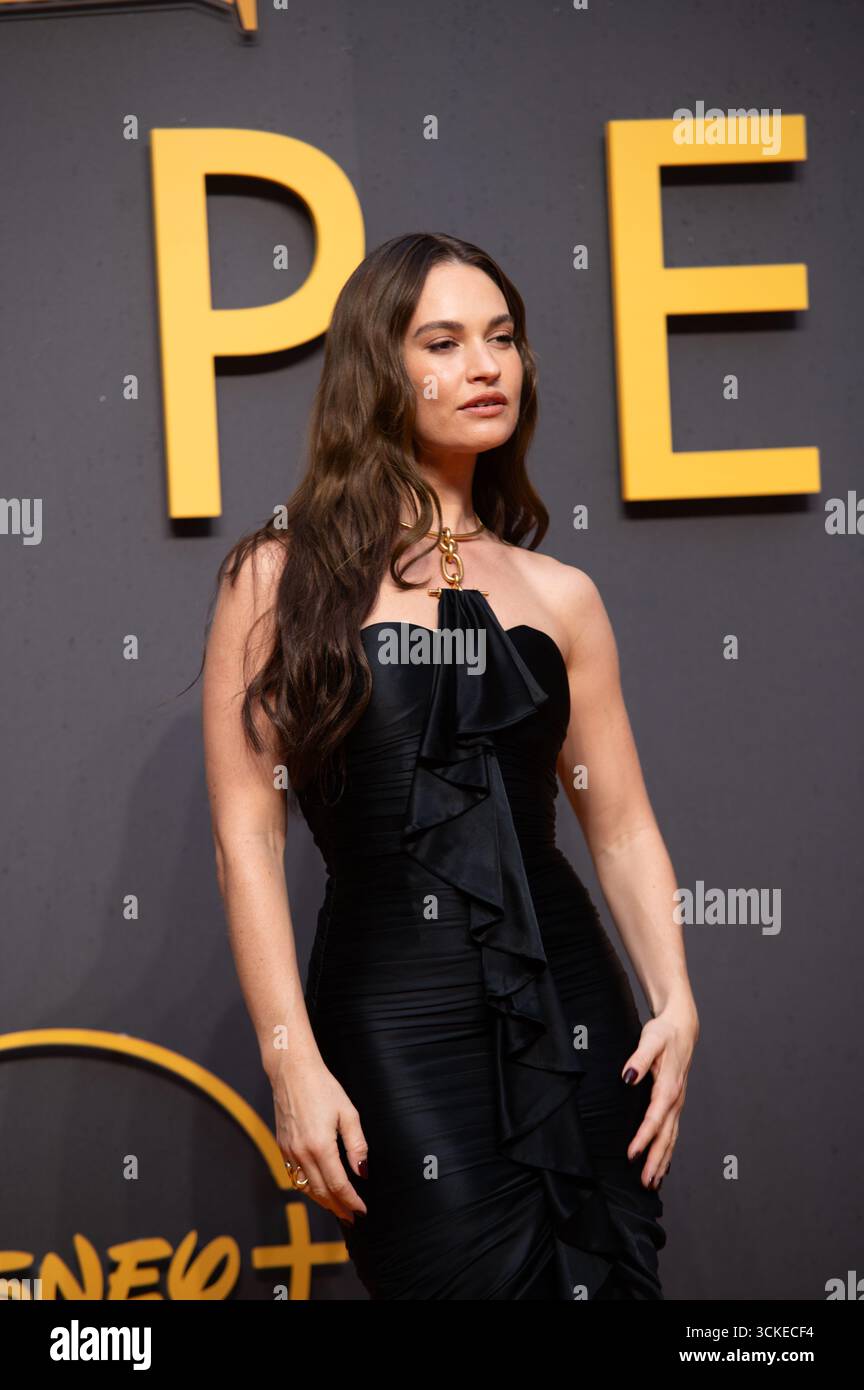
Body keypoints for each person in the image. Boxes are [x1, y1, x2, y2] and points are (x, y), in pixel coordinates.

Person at [201, 231, 699, 1299]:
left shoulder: (561, 595)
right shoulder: (278, 579)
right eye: (444, 342)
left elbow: (620, 827)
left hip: (573, 1009)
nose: (486, 366)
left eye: (502, 338)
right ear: (379, 369)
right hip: (393, 1022)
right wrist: (290, 1057)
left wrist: (676, 1000)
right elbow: (247, 840)